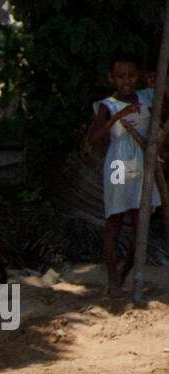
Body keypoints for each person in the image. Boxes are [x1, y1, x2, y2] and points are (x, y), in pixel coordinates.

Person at [86, 54, 162, 296]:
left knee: (141, 225)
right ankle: (113, 281)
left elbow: (165, 108)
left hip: (142, 164)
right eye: (121, 76)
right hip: (119, 165)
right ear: (111, 78)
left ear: (138, 75)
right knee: (116, 219)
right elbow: (93, 140)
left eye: (131, 75)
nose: (126, 81)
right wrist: (117, 117)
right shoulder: (108, 105)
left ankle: (123, 275)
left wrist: (155, 86)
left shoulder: (147, 96)